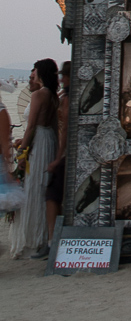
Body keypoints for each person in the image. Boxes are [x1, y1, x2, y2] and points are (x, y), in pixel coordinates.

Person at [9, 60, 59, 259]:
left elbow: (30, 127)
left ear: (41, 73)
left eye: (35, 72)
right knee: (42, 185)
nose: (33, 75)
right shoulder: (53, 95)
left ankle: (35, 239)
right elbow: (53, 126)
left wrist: (22, 152)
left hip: (39, 141)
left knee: (34, 186)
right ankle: (45, 236)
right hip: (49, 139)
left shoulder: (39, 95)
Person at [44, 62, 70, 245]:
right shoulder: (68, 96)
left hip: (67, 151)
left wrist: (58, 156)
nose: (61, 80)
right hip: (68, 150)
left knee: (52, 194)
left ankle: (52, 238)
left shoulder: (68, 98)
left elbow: (65, 129)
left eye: (63, 76)